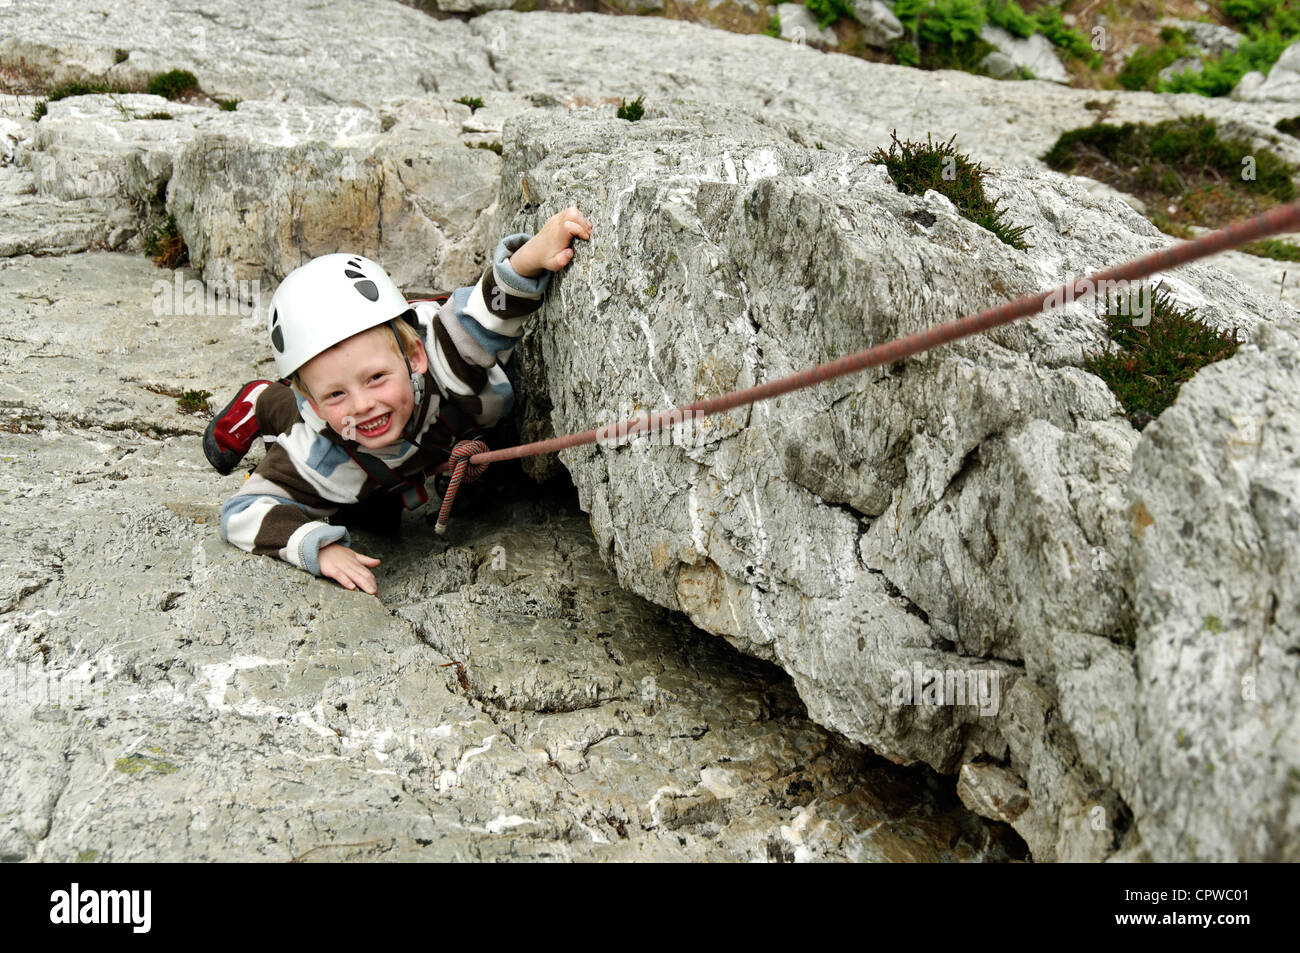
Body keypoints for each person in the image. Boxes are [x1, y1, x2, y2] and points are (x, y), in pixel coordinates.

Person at [206, 206, 594, 595]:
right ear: (315, 404)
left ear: (415, 358)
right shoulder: (318, 453)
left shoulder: (444, 355)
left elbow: (486, 309)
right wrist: (316, 548)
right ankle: (261, 398)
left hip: (432, 416)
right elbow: (242, 513)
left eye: (376, 379)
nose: (362, 406)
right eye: (337, 394)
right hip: (320, 422)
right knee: (362, 508)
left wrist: (531, 256)